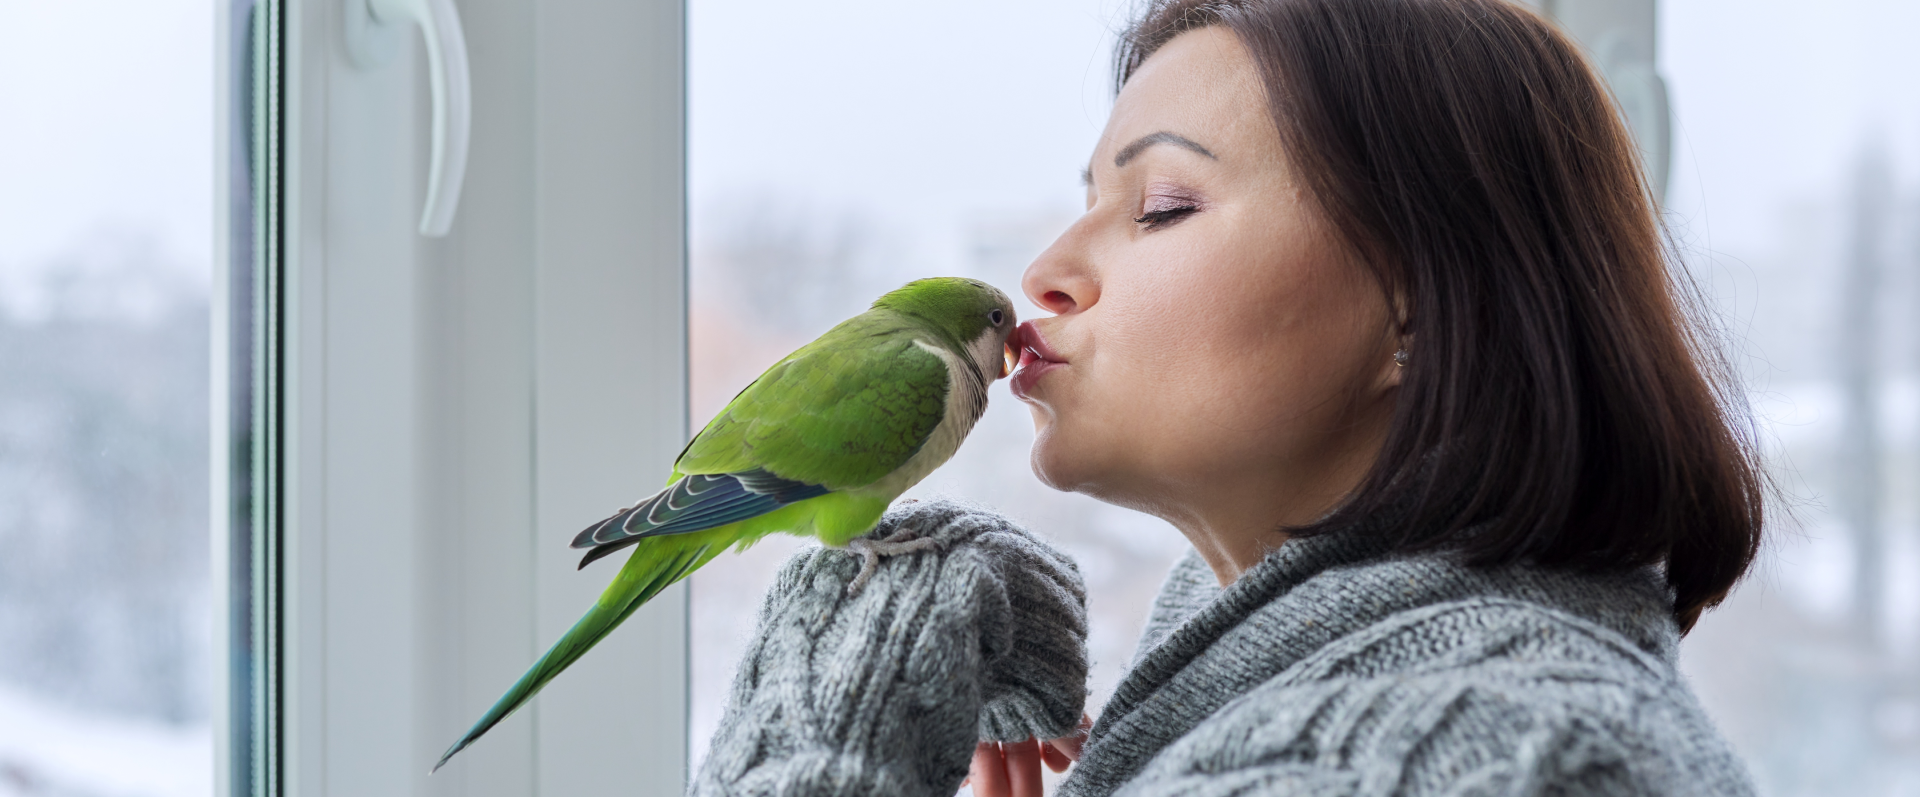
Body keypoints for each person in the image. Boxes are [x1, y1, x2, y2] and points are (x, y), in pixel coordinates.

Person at [692, 0, 1765, 794]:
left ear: (1421, 305)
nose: (1048, 269)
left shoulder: (1468, 749)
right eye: (1085, 201)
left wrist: (861, 639)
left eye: (1161, 205)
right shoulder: (1371, 705)